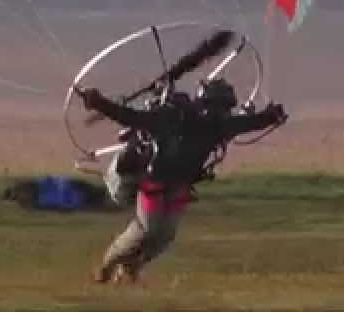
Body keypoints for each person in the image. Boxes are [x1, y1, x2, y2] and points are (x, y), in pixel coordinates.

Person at [74, 73, 287, 282]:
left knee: (164, 236)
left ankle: (132, 266)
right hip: (154, 182)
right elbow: (130, 116)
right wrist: (99, 103)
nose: (218, 113)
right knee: (146, 230)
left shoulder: (220, 126)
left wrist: (270, 117)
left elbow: (249, 123)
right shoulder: (171, 117)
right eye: (216, 107)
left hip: (180, 185)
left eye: (223, 109)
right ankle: (107, 265)